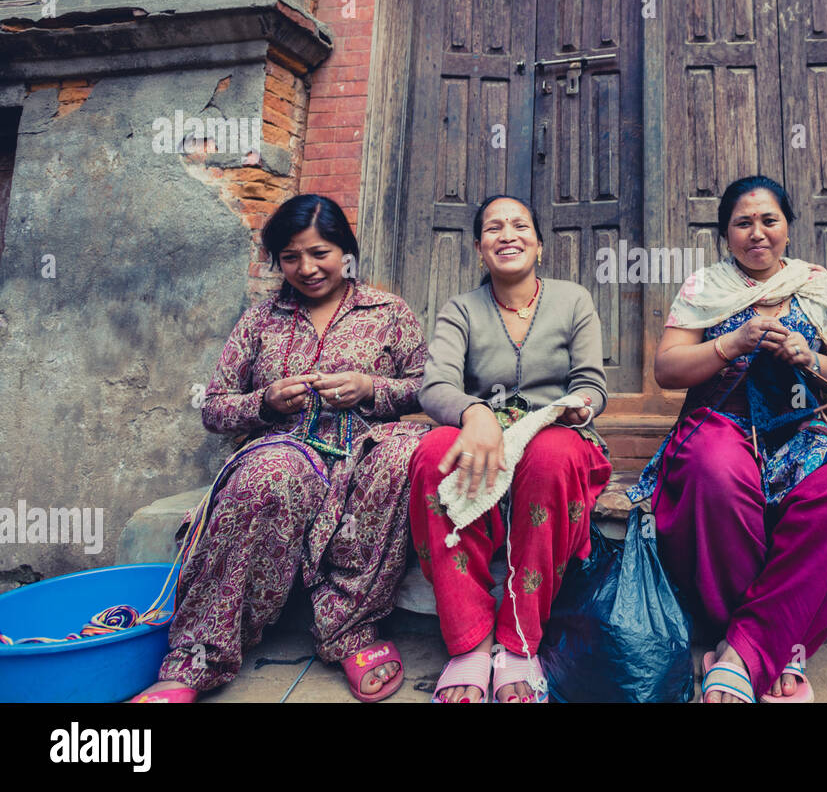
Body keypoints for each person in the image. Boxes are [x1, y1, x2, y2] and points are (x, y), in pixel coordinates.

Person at [131, 194, 429, 703]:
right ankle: (197, 658)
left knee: (404, 454)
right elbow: (215, 408)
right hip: (289, 452)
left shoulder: (388, 312)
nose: (307, 268)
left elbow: (427, 388)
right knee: (269, 472)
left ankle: (349, 628)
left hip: (365, 452)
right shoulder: (260, 320)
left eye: (320, 253)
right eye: (291, 257)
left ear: (345, 251)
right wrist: (265, 402)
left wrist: (370, 388)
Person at [629, 175, 827, 703]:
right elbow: (668, 370)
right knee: (713, 472)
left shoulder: (814, 283)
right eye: (743, 223)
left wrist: (809, 359)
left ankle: (742, 651)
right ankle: (766, 646)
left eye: (769, 220)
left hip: (797, 427)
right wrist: (730, 343)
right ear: (725, 233)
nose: (757, 233)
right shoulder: (704, 286)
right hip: (721, 418)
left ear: (788, 227)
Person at [408, 194, 612, 703]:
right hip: (483, 433)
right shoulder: (461, 310)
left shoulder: (572, 300)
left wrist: (576, 408)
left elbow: (593, 385)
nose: (508, 234)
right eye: (494, 228)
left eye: (520, 225)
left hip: (556, 433)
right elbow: (435, 387)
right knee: (434, 453)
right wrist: (475, 414)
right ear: (480, 249)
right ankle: (470, 643)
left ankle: (520, 641)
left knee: (550, 457)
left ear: (539, 245)